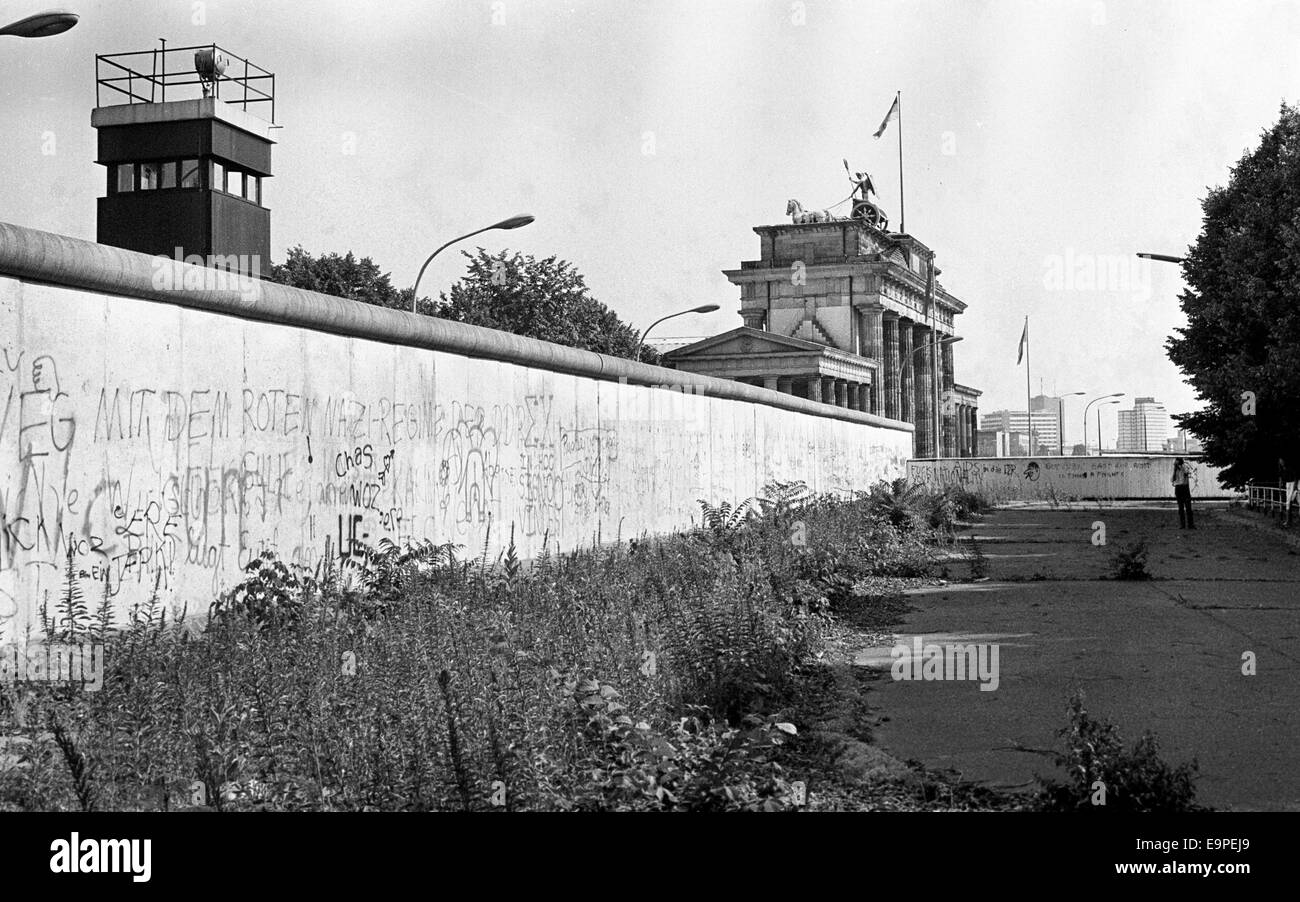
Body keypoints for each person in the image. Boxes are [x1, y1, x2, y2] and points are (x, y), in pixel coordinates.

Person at [1172, 457, 1194, 529]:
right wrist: (1175, 470)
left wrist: (1181, 467)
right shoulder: (1175, 470)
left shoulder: (1184, 467)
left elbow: (1187, 472)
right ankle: (1183, 524)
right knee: (1181, 508)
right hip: (1179, 488)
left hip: (1184, 487)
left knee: (1188, 507)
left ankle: (1190, 524)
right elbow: (1172, 479)